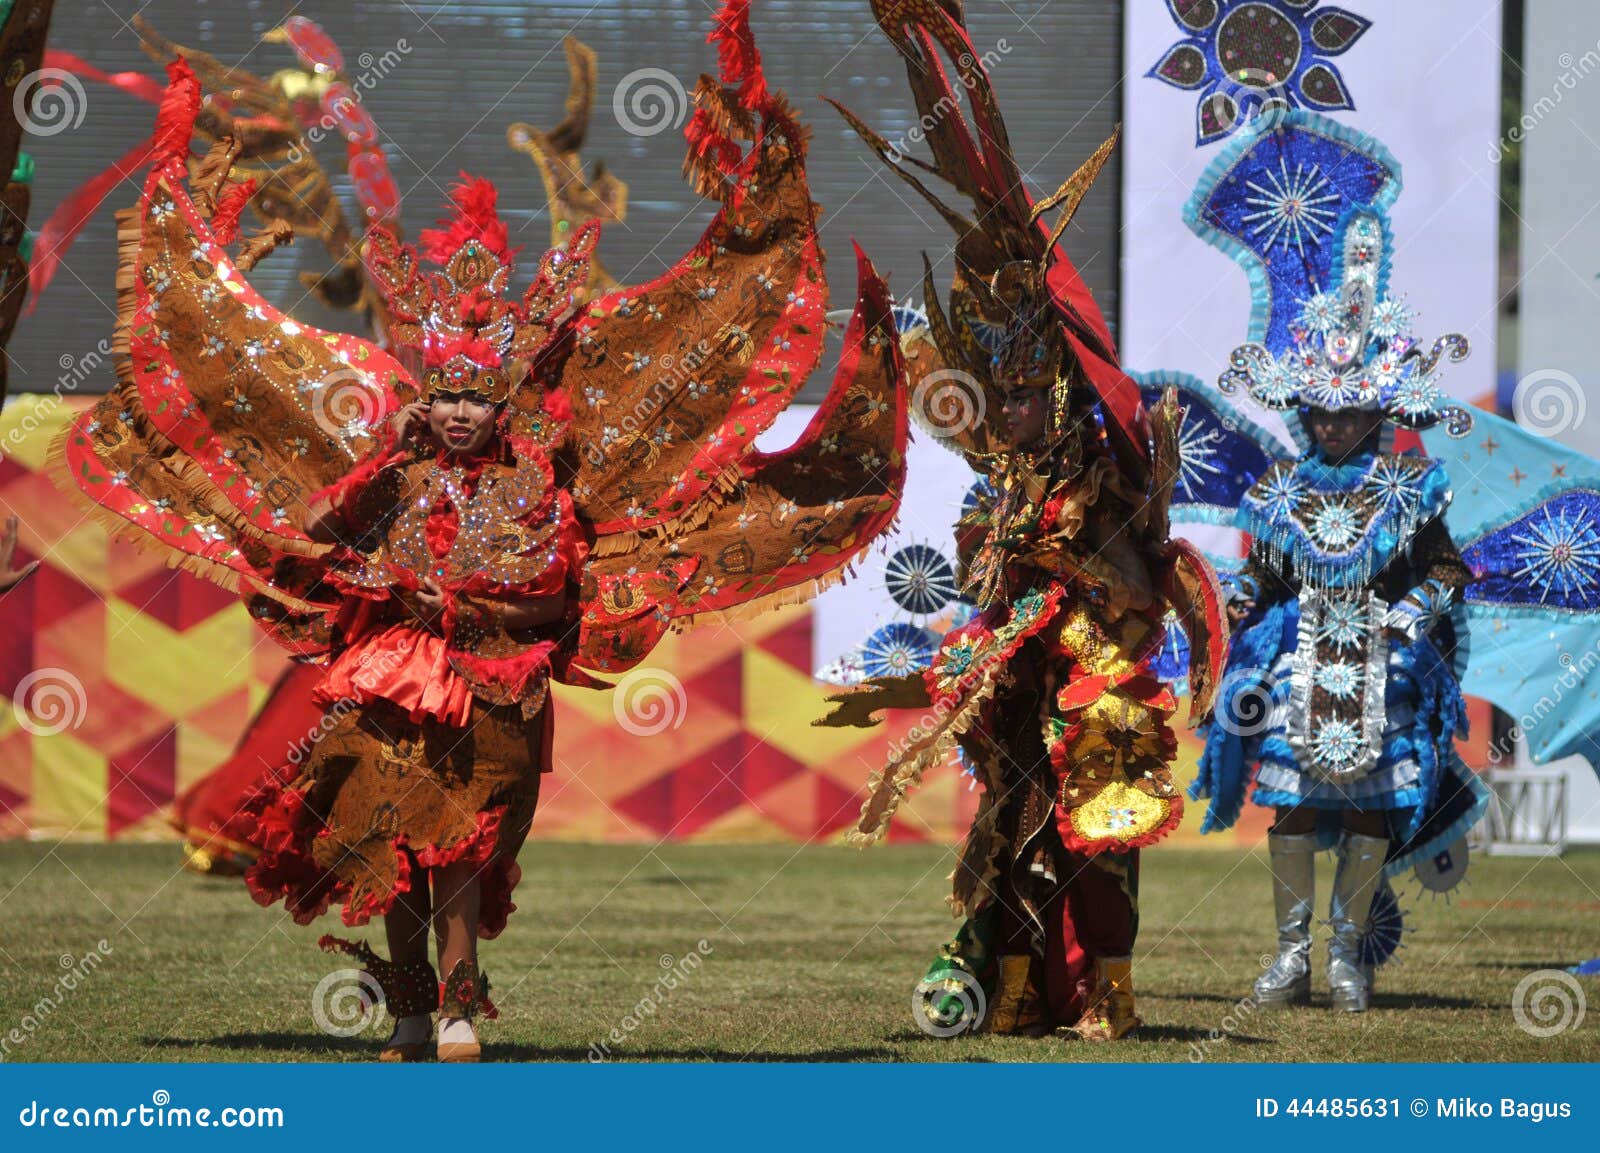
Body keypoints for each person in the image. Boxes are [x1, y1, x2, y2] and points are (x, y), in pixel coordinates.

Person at [54, 6, 910, 1061]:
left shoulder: (537, 479)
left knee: (462, 849)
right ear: (428, 390)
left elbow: (555, 592)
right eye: (444, 393)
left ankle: (460, 1004)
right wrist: (376, 505)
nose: (459, 411)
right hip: (385, 678)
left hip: (496, 687)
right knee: (392, 855)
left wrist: (464, 607)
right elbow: (321, 537)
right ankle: (414, 1007)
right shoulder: (394, 468)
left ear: (501, 394)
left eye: (475, 394)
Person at [820, 2, 1223, 1041]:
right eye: (993, 391)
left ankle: (1111, 992)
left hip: (1098, 666)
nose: (1006, 407)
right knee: (1014, 827)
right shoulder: (994, 479)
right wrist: (991, 582)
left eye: (1023, 389)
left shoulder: (1101, 458)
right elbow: (975, 570)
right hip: (1015, 669)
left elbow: (1129, 550)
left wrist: (1078, 565)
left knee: (1101, 827)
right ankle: (1017, 985)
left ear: (1053, 386)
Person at [1194, 218, 1484, 1012]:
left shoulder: (1409, 485)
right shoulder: (1280, 487)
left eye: (1349, 413)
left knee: (1368, 806)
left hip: (1381, 668)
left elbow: (1450, 568)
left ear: (1377, 414)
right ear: (1305, 410)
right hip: (1300, 661)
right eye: (1322, 412)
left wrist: (1414, 611)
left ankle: (1348, 957)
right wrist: (1242, 597)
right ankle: (1290, 961)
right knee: (1288, 803)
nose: (1333, 425)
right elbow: (1262, 571)